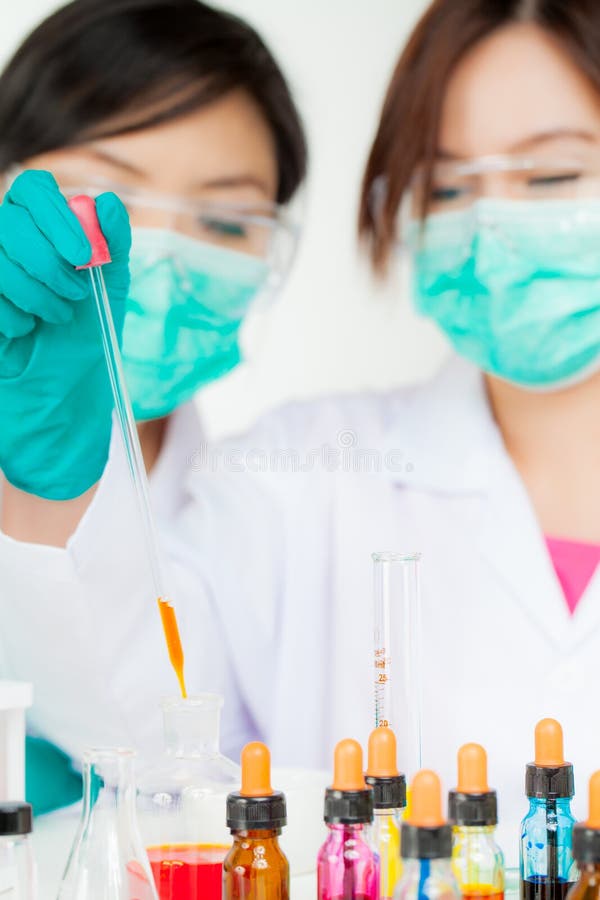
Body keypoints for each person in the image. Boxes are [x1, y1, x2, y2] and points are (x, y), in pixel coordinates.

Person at [2, 0, 600, 857]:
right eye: (449, 187)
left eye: (550, 179)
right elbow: (146, 722)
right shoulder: (295, 480)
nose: (494, 224)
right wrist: (49, 479)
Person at [0, 0, 306, 812]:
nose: (156, 249)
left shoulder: (267, 503)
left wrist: (53, 489)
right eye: (101, 199)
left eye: (221, 219)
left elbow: (177, 741)